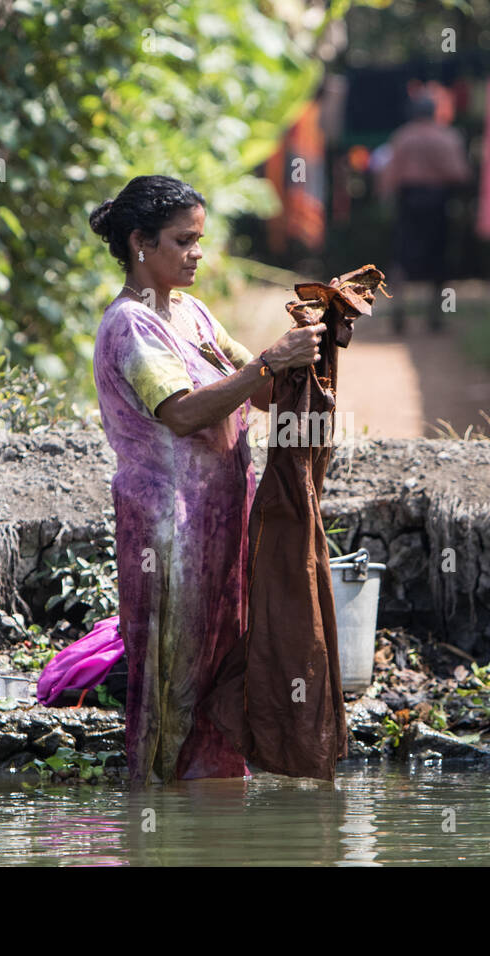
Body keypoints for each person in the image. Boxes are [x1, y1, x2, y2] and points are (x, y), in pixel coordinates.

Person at [88, 175, 324, 786]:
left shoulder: (191, 314)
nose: (197, 253)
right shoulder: (131, 325)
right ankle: (161, 812)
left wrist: (312, 352)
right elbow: (186, 411)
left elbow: (260, 387)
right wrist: (271, 361)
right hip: (170, 528)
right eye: (183, 241)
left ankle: (214, 799)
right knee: (177, 674)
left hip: (224, 516)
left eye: (199, 240)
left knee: (227, 661)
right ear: (141, 243)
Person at [376, 92, 472, 334]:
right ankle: (436, 313)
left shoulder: (403, 137)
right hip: (438, 202)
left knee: (401, 257)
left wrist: (385, 201)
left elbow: (389, 176)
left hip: (408, 202)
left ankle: (398, 308)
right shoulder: (447, 137)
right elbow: (460, 173)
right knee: (438, 257)